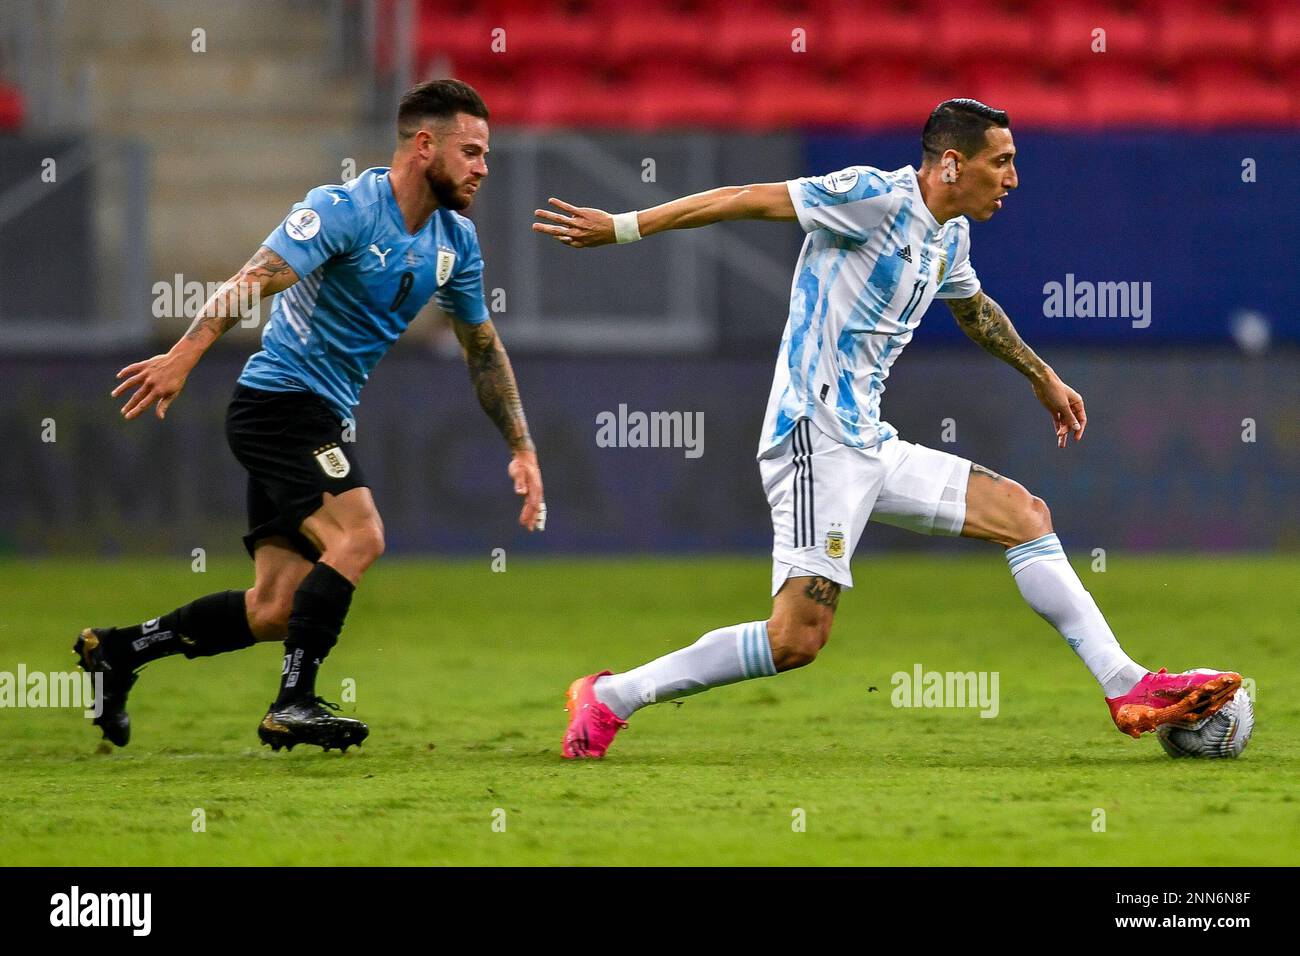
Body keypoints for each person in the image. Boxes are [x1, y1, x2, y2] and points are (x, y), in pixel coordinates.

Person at [533, 98, 1239, 759]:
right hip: (812, 435)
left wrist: (1041, 376)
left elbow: (974, 310)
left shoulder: (949, 233)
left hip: (868, 440)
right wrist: (623, 226)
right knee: (796, 640)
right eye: (1003, 162)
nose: (1014, 179)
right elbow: (745, 197)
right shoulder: (874, 196)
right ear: (953, 164)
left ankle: (1125, 685)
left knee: (1024, 515)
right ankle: (610, 695)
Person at [79, 79, 545, 753]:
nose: (483, 168)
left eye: (486, 154)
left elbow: (482, 349)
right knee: (361, 537)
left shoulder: (456, 242)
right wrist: (184, 355)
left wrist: (522, 447)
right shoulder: (344, 210)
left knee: (275, 608)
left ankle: (121, 650)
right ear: (424, 145)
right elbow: (256, 277)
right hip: (279, 406)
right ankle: (292, 702)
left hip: (317, 414)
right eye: (471, 151)